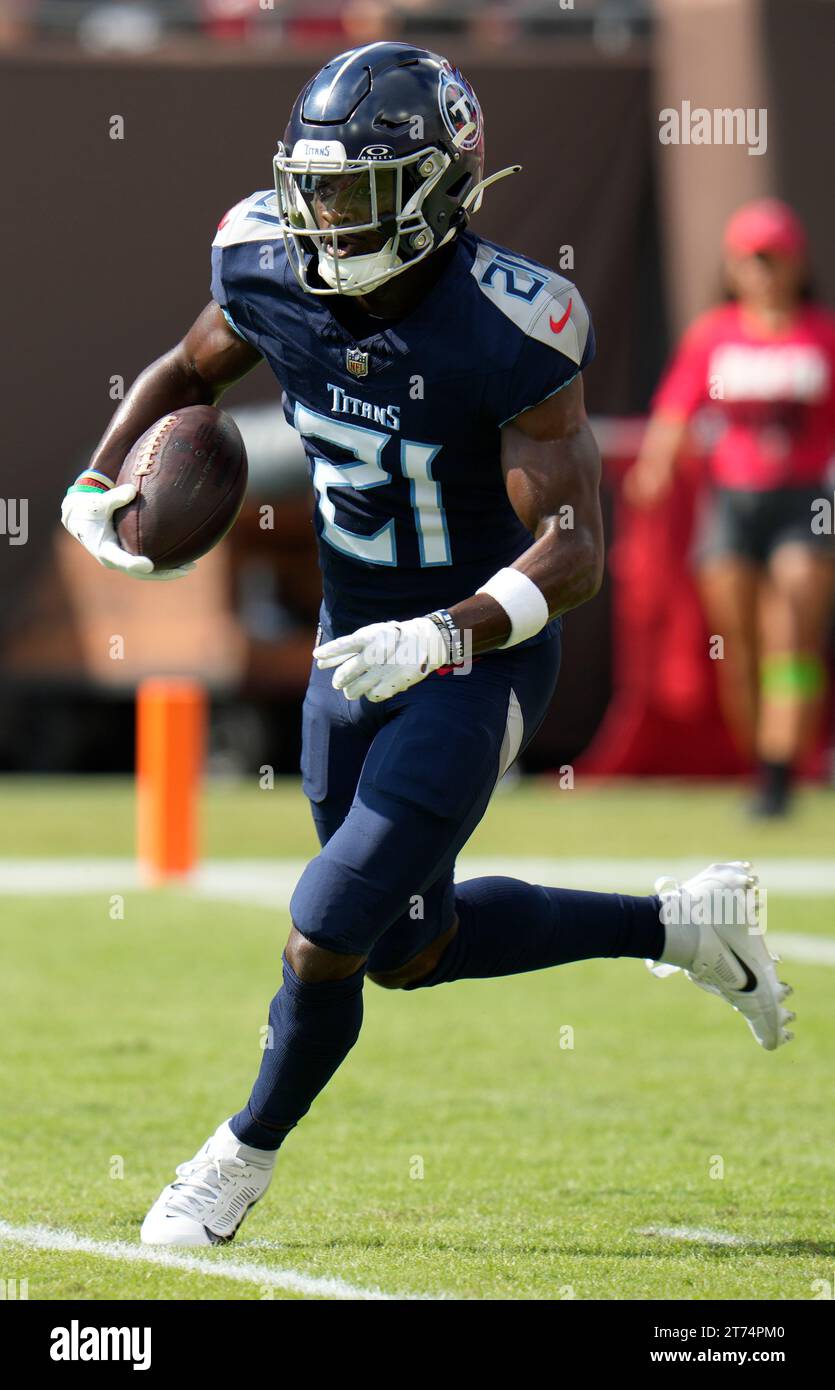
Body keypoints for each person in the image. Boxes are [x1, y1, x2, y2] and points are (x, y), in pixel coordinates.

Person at [61, 44, 794, 1247]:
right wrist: (103, 479)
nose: (322, 219)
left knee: (326, 922)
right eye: (313, 188)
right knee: (407, 947)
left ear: (438, 190)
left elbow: (575, 552)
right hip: (351, 643)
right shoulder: (265, 260)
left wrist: (444, 633)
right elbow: (190, 366)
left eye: (354, 194)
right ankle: (683, 926)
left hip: (480, 648)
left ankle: (233, 1161)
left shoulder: (508, 323)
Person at [625, 199, 835, 816]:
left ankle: (784, 767)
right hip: (734, 505)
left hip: (805, 502)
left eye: (773, 259)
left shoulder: (820, 334)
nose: (763, 272)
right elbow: (675, 408)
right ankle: (764, 763)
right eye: (751, 260)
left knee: (791, 629)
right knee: (738, 646)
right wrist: (657, 464)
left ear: (796, 264)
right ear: (734, 268)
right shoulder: (714, 334)